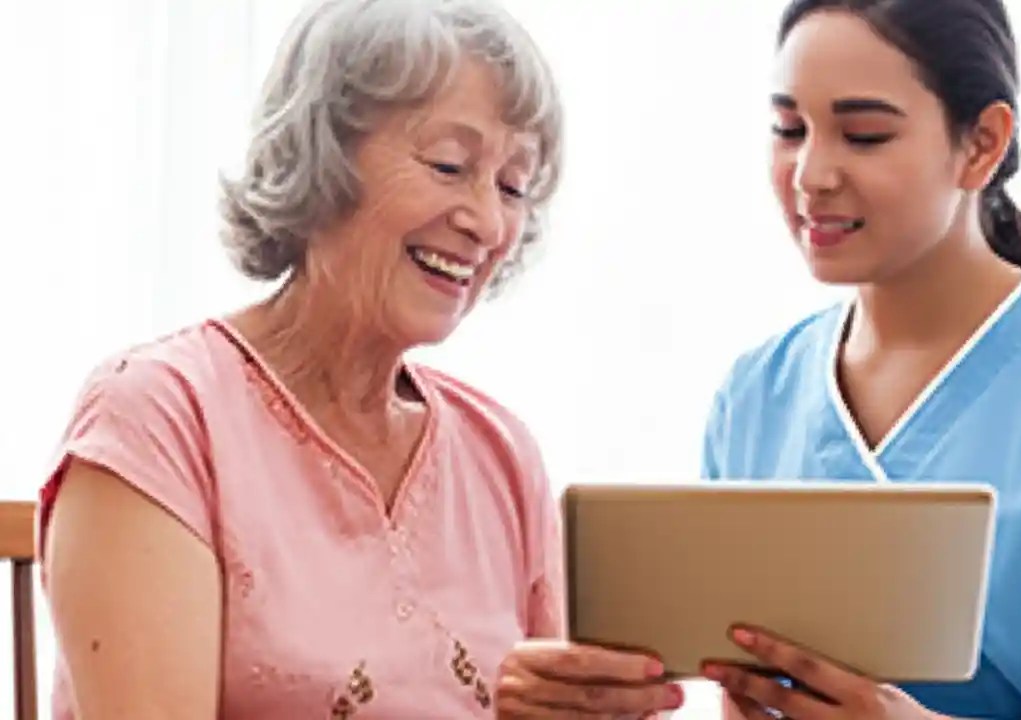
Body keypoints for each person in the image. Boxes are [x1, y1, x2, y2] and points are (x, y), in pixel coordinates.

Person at [37, 0, 683, 717]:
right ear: (324, 156)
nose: (488, 222)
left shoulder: (500, 451)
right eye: (449, 165)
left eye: (512, 186)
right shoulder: (159, 417)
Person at [695, 1, 1021, 719]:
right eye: (789, 130)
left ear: (981, 144)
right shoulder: (757, 393)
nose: (811, 175)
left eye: (864, 135)